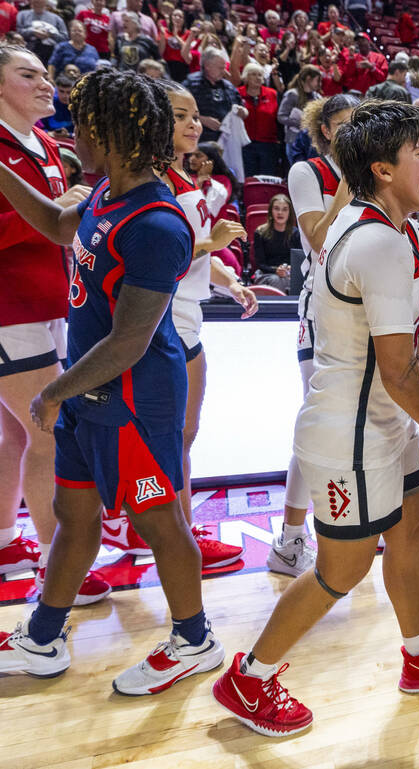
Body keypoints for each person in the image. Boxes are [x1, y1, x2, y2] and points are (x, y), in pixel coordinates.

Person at [212, 99, 419, 738]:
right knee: (343, 568)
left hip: (385, 423)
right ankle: (248, 678)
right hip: (353, 431)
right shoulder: (377, 241)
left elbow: (417, 331)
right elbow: (393, 370)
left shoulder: (394, 230)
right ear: (382, 168)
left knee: (412, 531)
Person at [0, 69, 224, 692]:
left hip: (133, 400)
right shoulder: (104, 192)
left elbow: (130, 341)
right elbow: (56, 223)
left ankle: (194, 639)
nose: (73, 137)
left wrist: (53, 390)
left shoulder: (156, 223)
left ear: (113, 131)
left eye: (83, 126)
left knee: (158, 525)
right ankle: (43, 638)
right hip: (86, 390)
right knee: (74, 517)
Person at [0, 44, 110, 603]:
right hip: (8, 308)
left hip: (47, 301)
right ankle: (54, 564)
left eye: (46, 74)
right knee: (49, 429)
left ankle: (4, 541)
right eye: (28, 75)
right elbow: (43, 223)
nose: (47, 83)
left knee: (17, 433)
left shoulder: (43, 142)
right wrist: (51, 217)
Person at [141, 82, 258, 571]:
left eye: (194, 115)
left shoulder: (179, 178)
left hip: (185, 314)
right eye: (180, 115)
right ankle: (177, 536)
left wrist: (229, 280)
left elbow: (194, 255)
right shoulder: (152, 181)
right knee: (173, 435)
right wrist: (211, 245)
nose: (193, 124)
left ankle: (170, 526)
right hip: (163, 318)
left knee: (179, 434)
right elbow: (154, 260)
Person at [277, 93, 360, 578]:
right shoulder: (308, 172)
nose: (354, 132)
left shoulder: (376, 168)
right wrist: (353, 180)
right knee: (319, 421)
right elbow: (319, 239)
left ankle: (349, 523)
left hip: (363, 308)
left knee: (354, 425)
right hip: (322, 305)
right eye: (346, 124)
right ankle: (290, 539)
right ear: (325, 128)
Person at [186, 47, 247, 144]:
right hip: (199, 141)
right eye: (220, 68)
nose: (224, 72)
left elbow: (242, 108)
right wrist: (201, 119)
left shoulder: (228, 86)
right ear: (207, 66)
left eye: (224, 67)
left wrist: (243, 112)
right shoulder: (190, 84)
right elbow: (177, 111)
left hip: (227, 142)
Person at [239, 62, 280, 178]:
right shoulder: (237, 93)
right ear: (246, 77)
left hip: (268, 145)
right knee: (248, 178)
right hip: (245, 144)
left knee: (266, 178)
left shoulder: (272, 94)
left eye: (260, 75)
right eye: (253, 74)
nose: (257, 78)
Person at [252, 193, 300, 291]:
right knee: (277, 280)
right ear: (271, 211)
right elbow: (260, 264)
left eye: (284, 209)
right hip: (266, 273)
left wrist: (290, 268)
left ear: (289, 213)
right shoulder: (260, 233)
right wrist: (276, 270)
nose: (280, 213)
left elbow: (299, 260)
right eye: (276, 208)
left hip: (289, 274)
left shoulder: (296, 233)